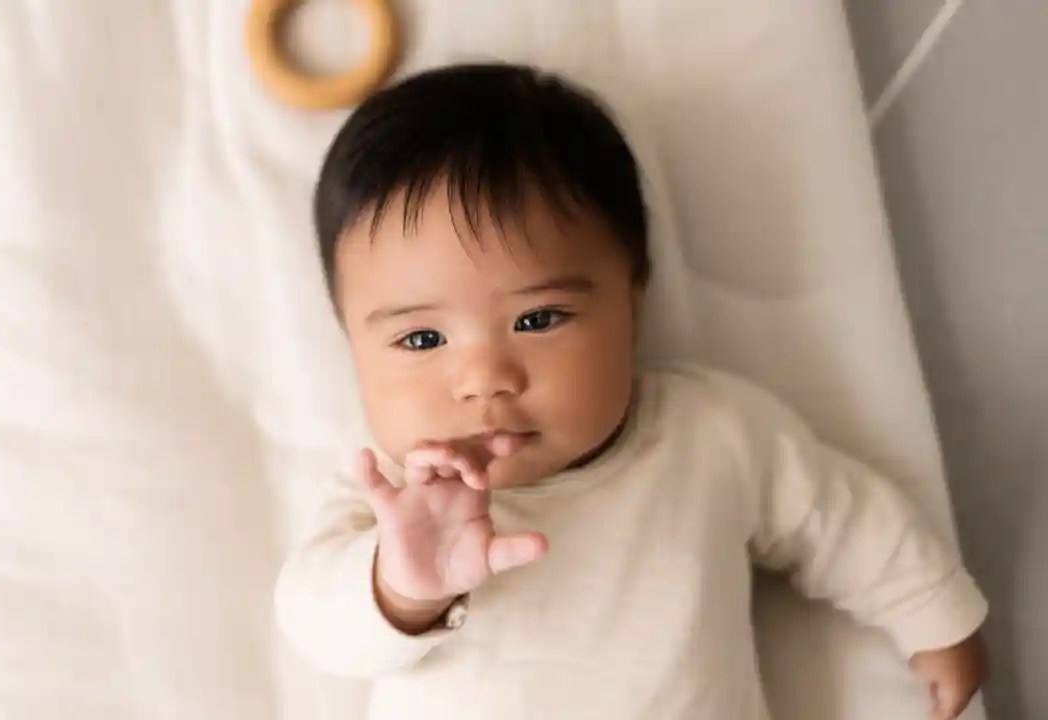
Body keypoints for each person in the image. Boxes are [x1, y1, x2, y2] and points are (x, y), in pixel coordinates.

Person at [274, 63, 988, 720]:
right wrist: (400, 589)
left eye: (539, 319)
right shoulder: (390, 493)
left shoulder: (712, 433)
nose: (486, 377)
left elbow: (843, 520)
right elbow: (317, 628)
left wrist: (932, 613)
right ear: (349, 342)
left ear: (631, 298)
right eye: (422, 340)